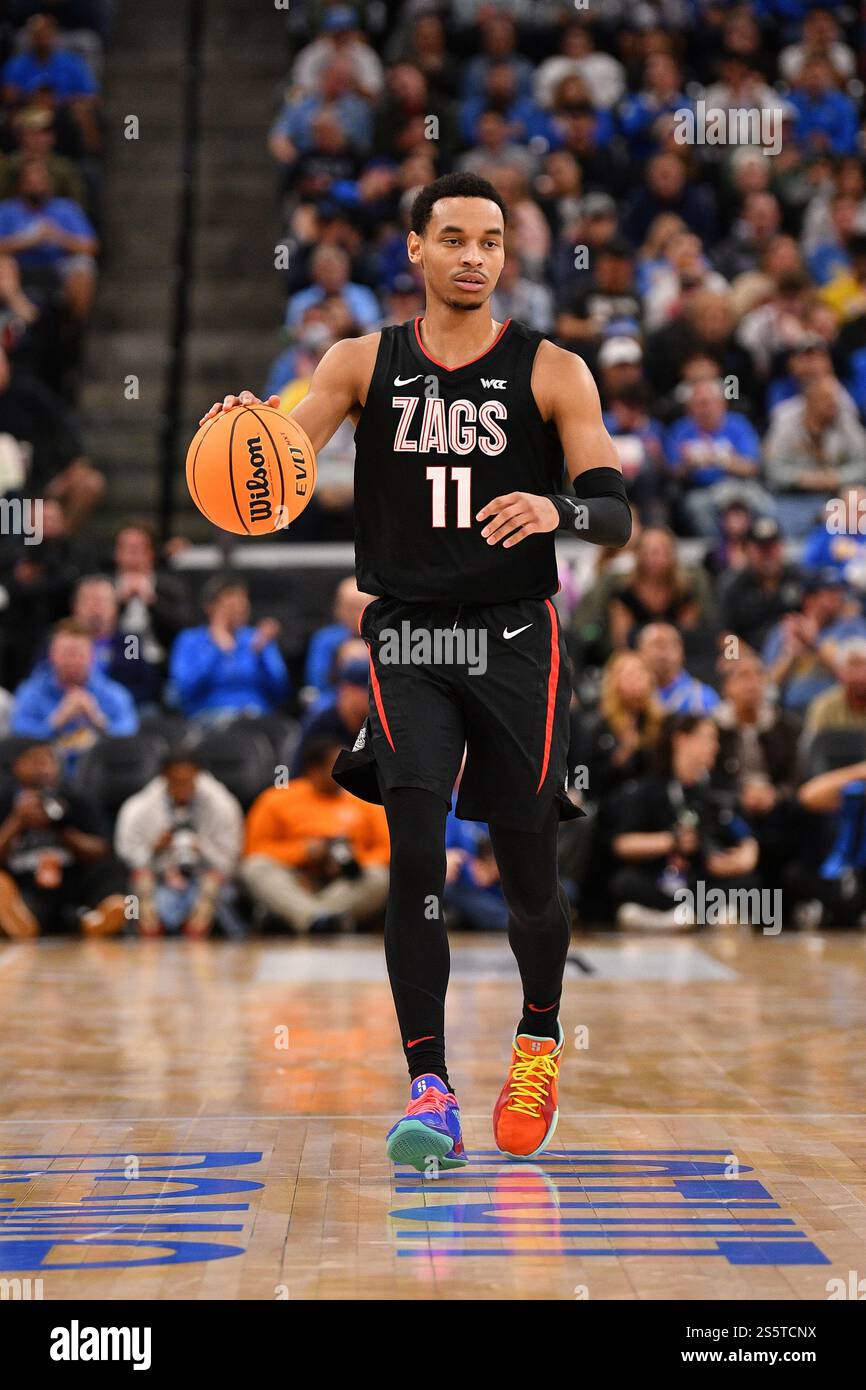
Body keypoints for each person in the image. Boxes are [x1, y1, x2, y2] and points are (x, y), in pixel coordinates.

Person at [202, 171, 632, 1170]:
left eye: (489, 240)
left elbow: (613, 510)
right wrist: (244, 438)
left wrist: (554, 510)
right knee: (415, 856)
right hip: (409, 640)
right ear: (414, 250)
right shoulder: (360, 361)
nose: (473, 255)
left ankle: (535, 1034)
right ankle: (428, 1087)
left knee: (528, 876)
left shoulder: (553, 369)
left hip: (517, 637)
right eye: (453, 238)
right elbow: (278, 474)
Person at [611, 713, 759, 933]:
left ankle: (676, 917)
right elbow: (622, 844)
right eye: (708, 738)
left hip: (700, 878)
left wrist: (745, 857)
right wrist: (672, 841)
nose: (714, 747)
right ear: (680, 739)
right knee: (623, 882)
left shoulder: (717, 789)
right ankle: (681, 917)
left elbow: (743, 833)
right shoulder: (649, 789)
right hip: (660, 876)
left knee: (748, 883)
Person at [241, 737, 390, 934]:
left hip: (344, 884)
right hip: (296, 880)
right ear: (314, 769)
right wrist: (305, 851)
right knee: (254, 868)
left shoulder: (364, 799)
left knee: (379, 877)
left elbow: (388, 848)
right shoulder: (277, 799)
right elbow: (254, 849)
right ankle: (321, 918)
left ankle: (308, 917)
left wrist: (355, 860)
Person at [0, 739, 126, 937]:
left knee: (116, 866)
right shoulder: (5, 800)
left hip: (71, 878)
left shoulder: (76, 798)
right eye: (35, 761)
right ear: (16, 765)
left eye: (48, 760)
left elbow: (102, 849)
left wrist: (62, 830)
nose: (43, 768)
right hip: (25, 881)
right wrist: (17, 822)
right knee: (10, 888)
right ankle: (21, 918)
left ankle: (105, 915)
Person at [115, 753, 244, 938]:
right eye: (176, 781)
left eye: (188, 781)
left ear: (199, 777)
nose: (183, 787)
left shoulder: (223, 806)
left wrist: (201, 848)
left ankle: (198, 926)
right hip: (158, 880)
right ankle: (147, 929)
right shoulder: (138, 808)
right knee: (139, 883)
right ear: (163, 778)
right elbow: (126, 856)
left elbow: (230, 864)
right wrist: (156, 850)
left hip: (205, 881)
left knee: (215, 886)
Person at [11, 618, 138, 770]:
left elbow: (129, 737)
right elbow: (18, 737)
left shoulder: (114, 694)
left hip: (99, 776)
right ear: (51, 654)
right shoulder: (30, 692)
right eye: (65, 653)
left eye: (78, 653)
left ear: (92, 656)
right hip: (46, 775)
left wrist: (97, 719)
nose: (71, 660)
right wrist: (56, 721)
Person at [169, 577, 290, 721]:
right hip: (208, 716)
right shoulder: (191, 640)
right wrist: (217, 649)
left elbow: (281, 691)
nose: (237, 610)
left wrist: (262, 654)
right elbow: (183, 692)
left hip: (255, 715)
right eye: (230, 605)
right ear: (210, 607)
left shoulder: (257, 638)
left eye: (242, 604)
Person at [636, 623, 720, 715]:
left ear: (682, 653)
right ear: (640, 652)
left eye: (672, 644)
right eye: (657, 645)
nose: (663, 653)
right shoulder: (632, 696)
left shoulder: (701, 698)